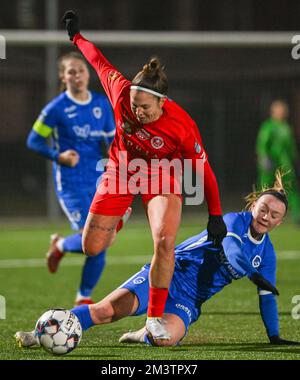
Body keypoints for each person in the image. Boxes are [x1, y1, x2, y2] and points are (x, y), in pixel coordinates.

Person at [58, 10, 227, 342]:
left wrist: (216, 215)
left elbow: (203, 169)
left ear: (162, 103)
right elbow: (98, 61)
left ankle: (153, 318)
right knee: (92, 248)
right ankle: (119, 217)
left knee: (165, 242)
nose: (137, 112)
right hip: (121, 169)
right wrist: (76, 37)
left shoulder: (181, 125)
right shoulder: (122, 92)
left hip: (162, 176)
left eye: (145, 108)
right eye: (134, 105)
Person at [15, 170, 299, 348]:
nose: (266, 217)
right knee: (104, 312)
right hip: (166, 273)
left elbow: (267, 296)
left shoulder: (268, 254)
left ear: (280, 222)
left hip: (189, 300)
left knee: (165, 340)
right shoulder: (233, 221)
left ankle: (143, 333)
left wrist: (274, 336)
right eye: (263, 209)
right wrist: (251, 272)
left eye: (274, 215)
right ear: (253, 206)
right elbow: (233, 250)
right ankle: (39, 333)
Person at [26, 51, 124, 306]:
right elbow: (33, 140)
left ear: (88, 74)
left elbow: (112, 142)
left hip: (98, 179)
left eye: (80, 70)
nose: (76, 76)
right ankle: (62, 251)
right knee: (94, 237)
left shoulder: (101, 105)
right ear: (63, 76)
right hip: (70, 181)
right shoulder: (56, 110)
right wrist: (58, 156)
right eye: (71, 71)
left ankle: (83, 295)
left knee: (101, 239)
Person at [256, 99, 300, 223]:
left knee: (291, 188)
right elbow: (262, 144)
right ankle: (257, 214)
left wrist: (294, 158)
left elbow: (291, 147)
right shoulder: (268, 126)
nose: (282, 113)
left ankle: (297, 215)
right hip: (270, 165)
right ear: (273, 111)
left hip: (285, 165)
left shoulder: (286, 127)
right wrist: (264, 158)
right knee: (265, 189)